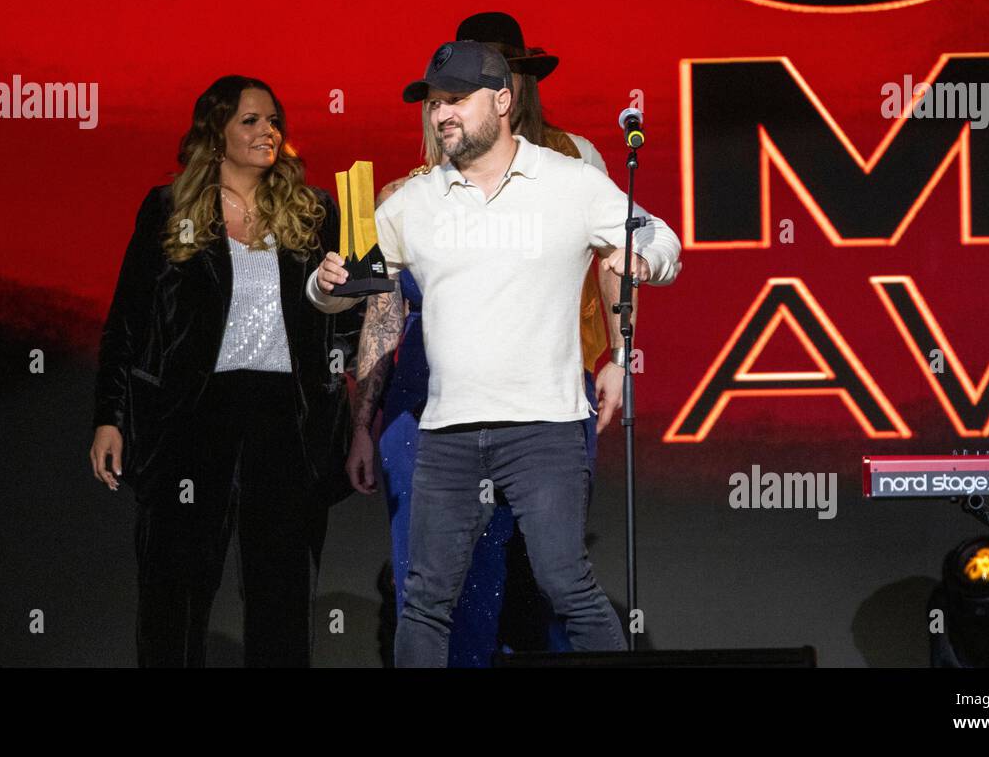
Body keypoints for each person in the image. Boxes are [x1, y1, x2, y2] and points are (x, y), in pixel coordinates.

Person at [309, 41, 682, 666]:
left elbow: (655, 233)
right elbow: (354, 287)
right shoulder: (415, 201)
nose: (441, 115)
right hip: (448, 433)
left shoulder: (568, 182)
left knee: (566, 585)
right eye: (433, 104)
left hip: (546, 427)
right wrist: (323, 286)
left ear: (504, 101)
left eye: (456, 100)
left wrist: (642, 261)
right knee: (425, 598)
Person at [89, 75, 350, 667]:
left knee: (282, 597)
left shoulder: (312, 212)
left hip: (284, 420)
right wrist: (111, 417)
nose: (267, 132)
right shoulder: (169, 208)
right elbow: (127, 322)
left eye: (273, 120)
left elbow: (339, 321)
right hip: (190, 420)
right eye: (250, 121)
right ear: (216, 133)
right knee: (173, 594)